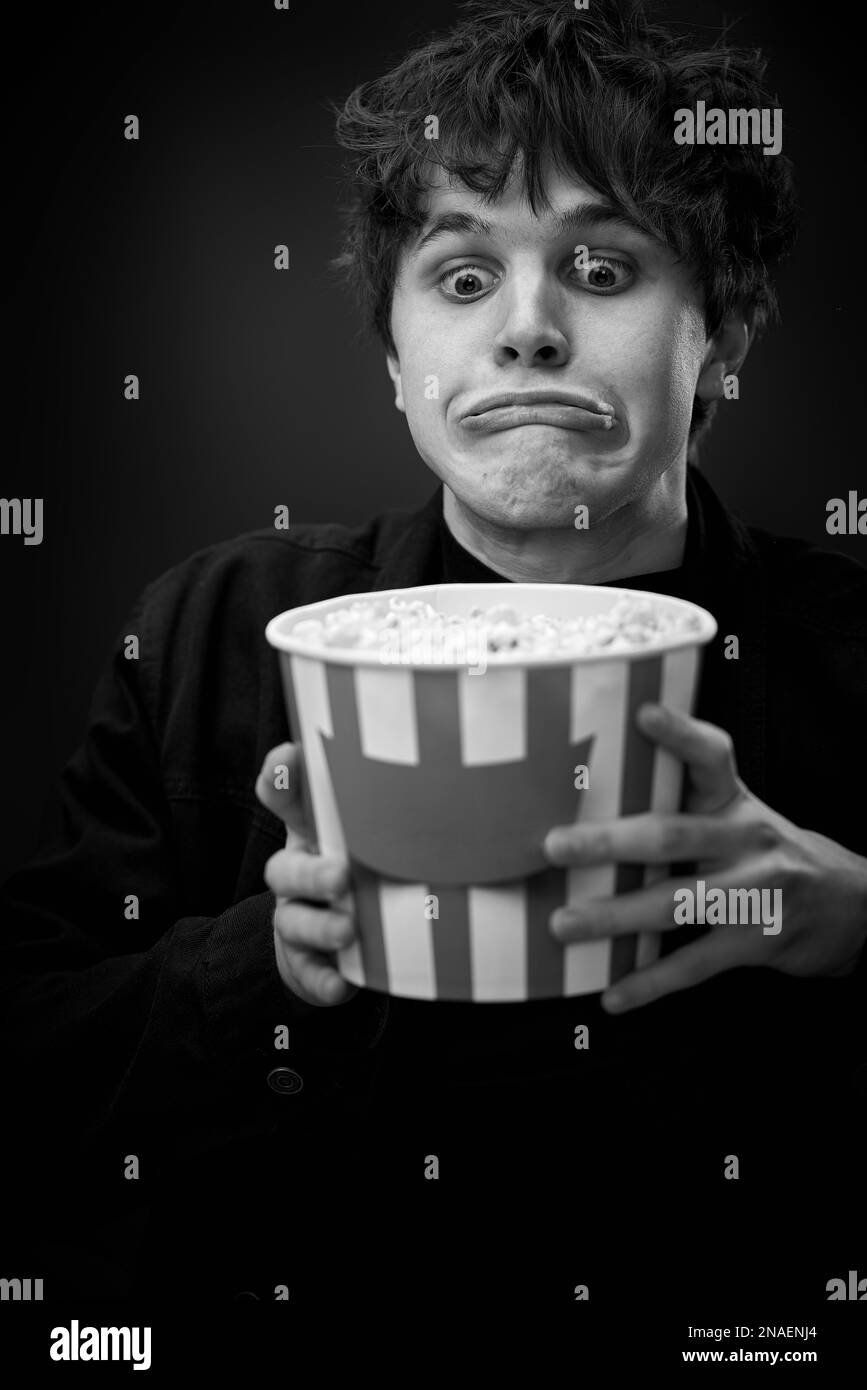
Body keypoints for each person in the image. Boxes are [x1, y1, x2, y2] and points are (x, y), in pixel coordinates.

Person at [2, 0, 865, 1309]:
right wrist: (263, 970)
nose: (528, 329)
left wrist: (854, 917)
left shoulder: (854, 655)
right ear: (398, 362)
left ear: (725, 337)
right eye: (463, 278)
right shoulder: (210, 639)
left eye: (605, 269)